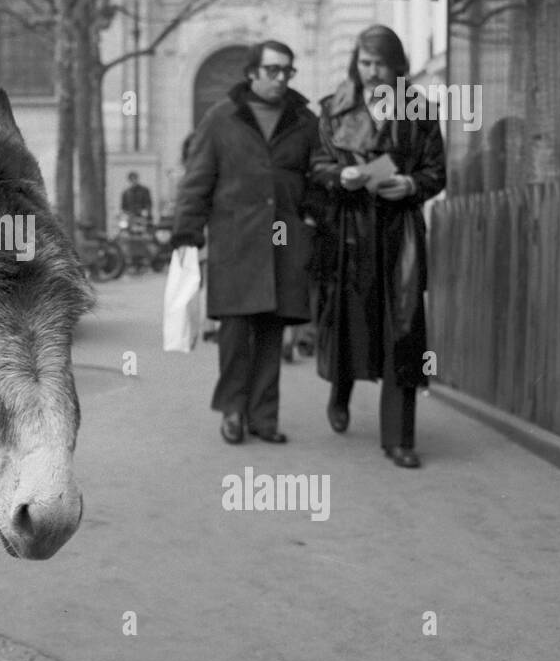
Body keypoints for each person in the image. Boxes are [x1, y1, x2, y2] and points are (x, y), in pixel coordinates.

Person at [310, 25, 446, 469]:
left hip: (398, 229)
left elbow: (436, 171)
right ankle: (340, 389)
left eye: (379, 64)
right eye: (364, 63)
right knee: (350, 321)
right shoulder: (334, 110)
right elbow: (317, 166)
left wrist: (409, 183)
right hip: (349, 231)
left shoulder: (420, 111)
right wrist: (340, 176)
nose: (371, 72)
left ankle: (399, 439)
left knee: (403, 329)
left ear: (397, 65)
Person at [170, 40, 319, 444]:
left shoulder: (304, 121)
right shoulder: (222, 118)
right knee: (236, 333)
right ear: (252, 72)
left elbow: (318, 176)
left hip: (283, 241)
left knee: (272, 332)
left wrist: (317, 216)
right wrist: (187, 231)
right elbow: (198, 178)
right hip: (235, 240)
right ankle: (233, 411)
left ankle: (264, 417)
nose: (281, 78)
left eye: (287, 70)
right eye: (272, 70)